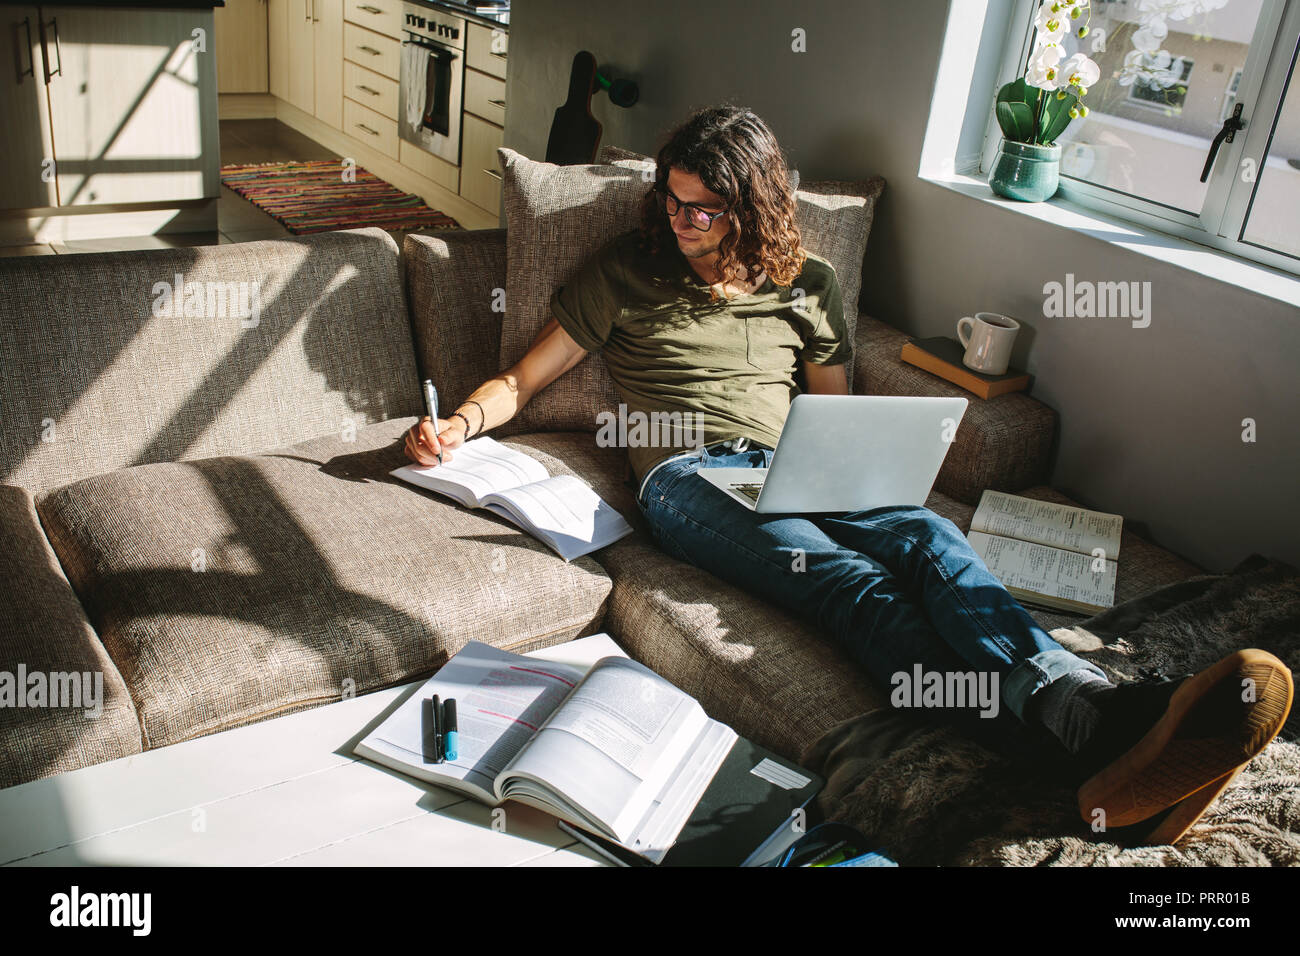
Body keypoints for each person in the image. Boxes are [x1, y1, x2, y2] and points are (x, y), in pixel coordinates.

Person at [404, 104, 1293, 847]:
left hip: (799, 459)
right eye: (672, 202)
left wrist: (863, 467)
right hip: (690, 476)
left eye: (705, 208)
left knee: (928, 534)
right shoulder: (627, 272)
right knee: (849, 580)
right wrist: (458, 424)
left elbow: (833, 412)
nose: (682, 222)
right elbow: (522, 380)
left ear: (753, 204)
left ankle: (1087, 711)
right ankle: (1084, 741)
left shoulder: (808, 282)